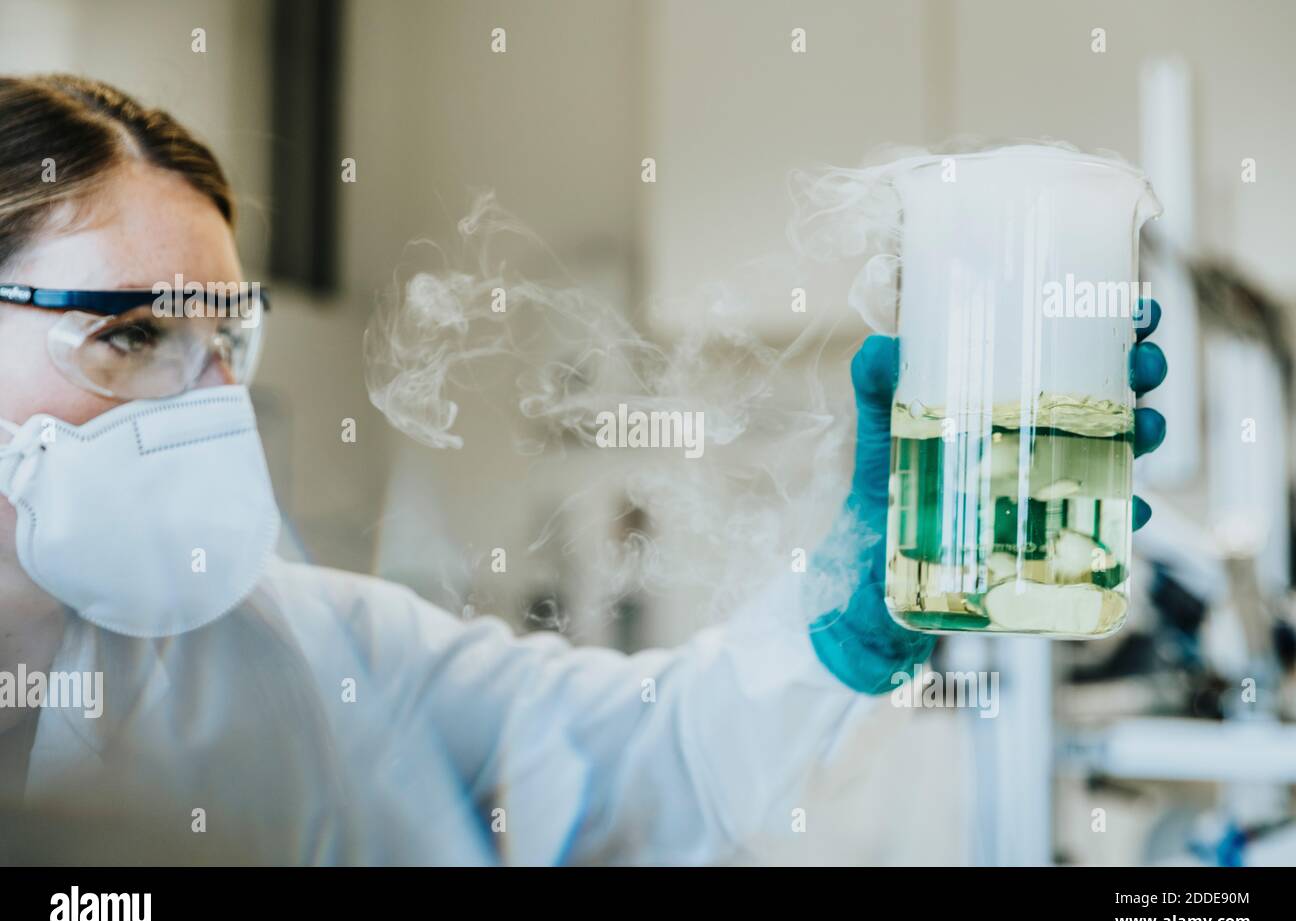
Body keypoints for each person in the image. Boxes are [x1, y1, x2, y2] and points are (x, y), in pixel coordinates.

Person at [0, 74, 1168, 864]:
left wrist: (847, 598)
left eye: (226, 341)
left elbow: (641, 766)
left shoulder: (315, 650)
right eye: (132, 333)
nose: (211, 404)